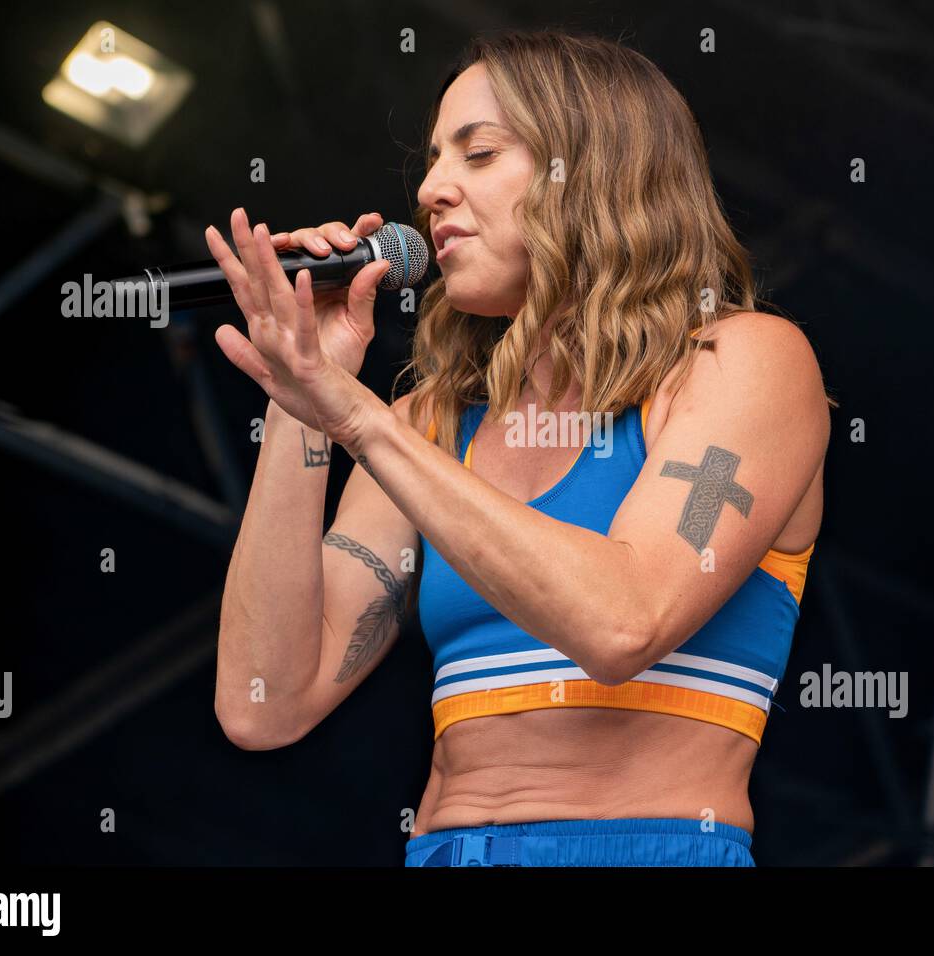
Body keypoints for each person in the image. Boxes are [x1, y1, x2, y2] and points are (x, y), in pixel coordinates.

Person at [208, 29, 833, 867]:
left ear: (594, 170)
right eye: (434, 160)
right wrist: (302, 389)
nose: (430, 190)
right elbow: (265, 704)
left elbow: (623, 622)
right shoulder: (434, 422)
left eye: (479, 154)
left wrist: (361, 419)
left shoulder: (743, 361)